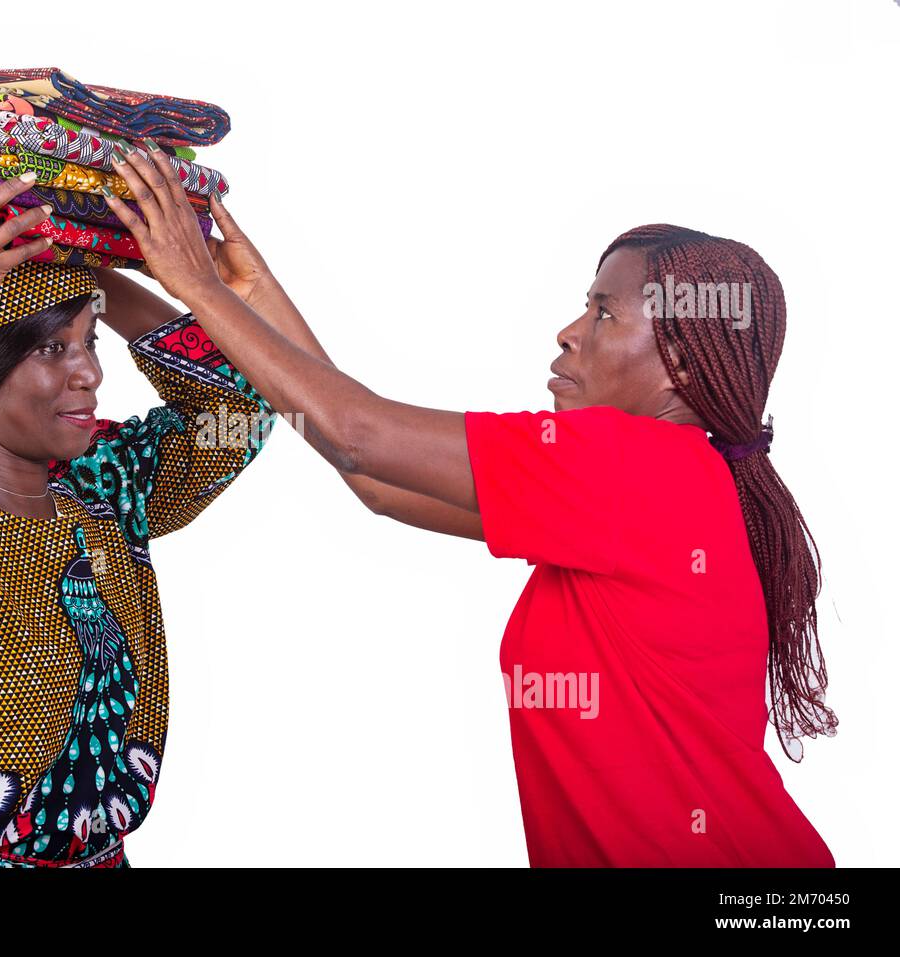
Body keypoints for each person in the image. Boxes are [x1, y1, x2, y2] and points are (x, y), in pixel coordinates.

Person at [99, 141, 838, 866]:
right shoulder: (659, 483)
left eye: (605, 315)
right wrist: (251, 296)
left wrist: (197, 286)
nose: (570, 331)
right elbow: (380, 484)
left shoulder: (631, 464)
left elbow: (361, 435)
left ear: (679, 360)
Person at [0, 156, 275, 867]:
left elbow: (241, 413)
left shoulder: (100, 485)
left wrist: (96, 270)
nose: (91, 371)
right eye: (50, 347)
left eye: (89, 342)